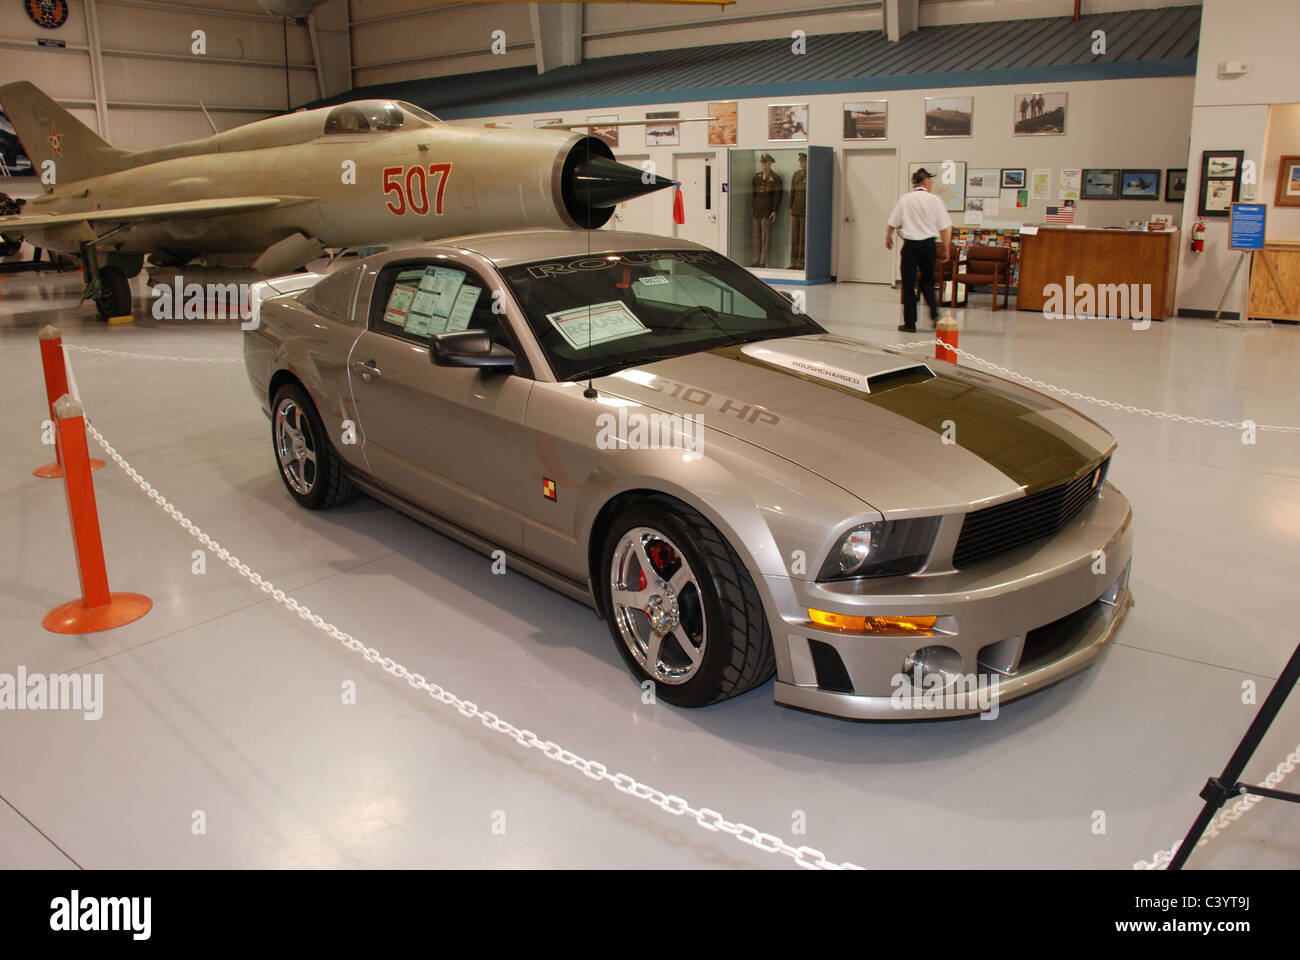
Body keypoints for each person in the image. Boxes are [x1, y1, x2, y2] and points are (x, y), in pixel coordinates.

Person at [885, 167, 952, 332]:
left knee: (908, 284)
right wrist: (946, 247)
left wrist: (888, 237)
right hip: (929, 245)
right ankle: (935, 314)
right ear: (926, 182)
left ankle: (910, 323)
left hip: (911, 245)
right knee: (928, 281)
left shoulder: (905, 199)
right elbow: (944, 227)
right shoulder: (935, 200)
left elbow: (892, 222)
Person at [750, 153, 783, 268]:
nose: (764, 165)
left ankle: (763, 261)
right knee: (756, 237)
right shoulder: (757, 177)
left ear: (770, 163)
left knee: (765, 237)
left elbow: (777, 195)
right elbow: (754, 194)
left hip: (767, 210)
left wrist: (774, 210)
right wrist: (753, 207)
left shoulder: (775, 178)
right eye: (762, 162)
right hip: (757, 210)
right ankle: (756, 258)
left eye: (766, 162)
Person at [789, 152, 807, 270]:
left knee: (802, 238)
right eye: (800, 161)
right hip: (796, 208)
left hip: (805, 209)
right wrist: (790, 206)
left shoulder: (811, 174)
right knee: (795, 238)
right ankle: (793, 261)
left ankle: (801, 261)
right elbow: (793, 192)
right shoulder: (796, 175)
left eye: (803, 161)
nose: (801, 163)